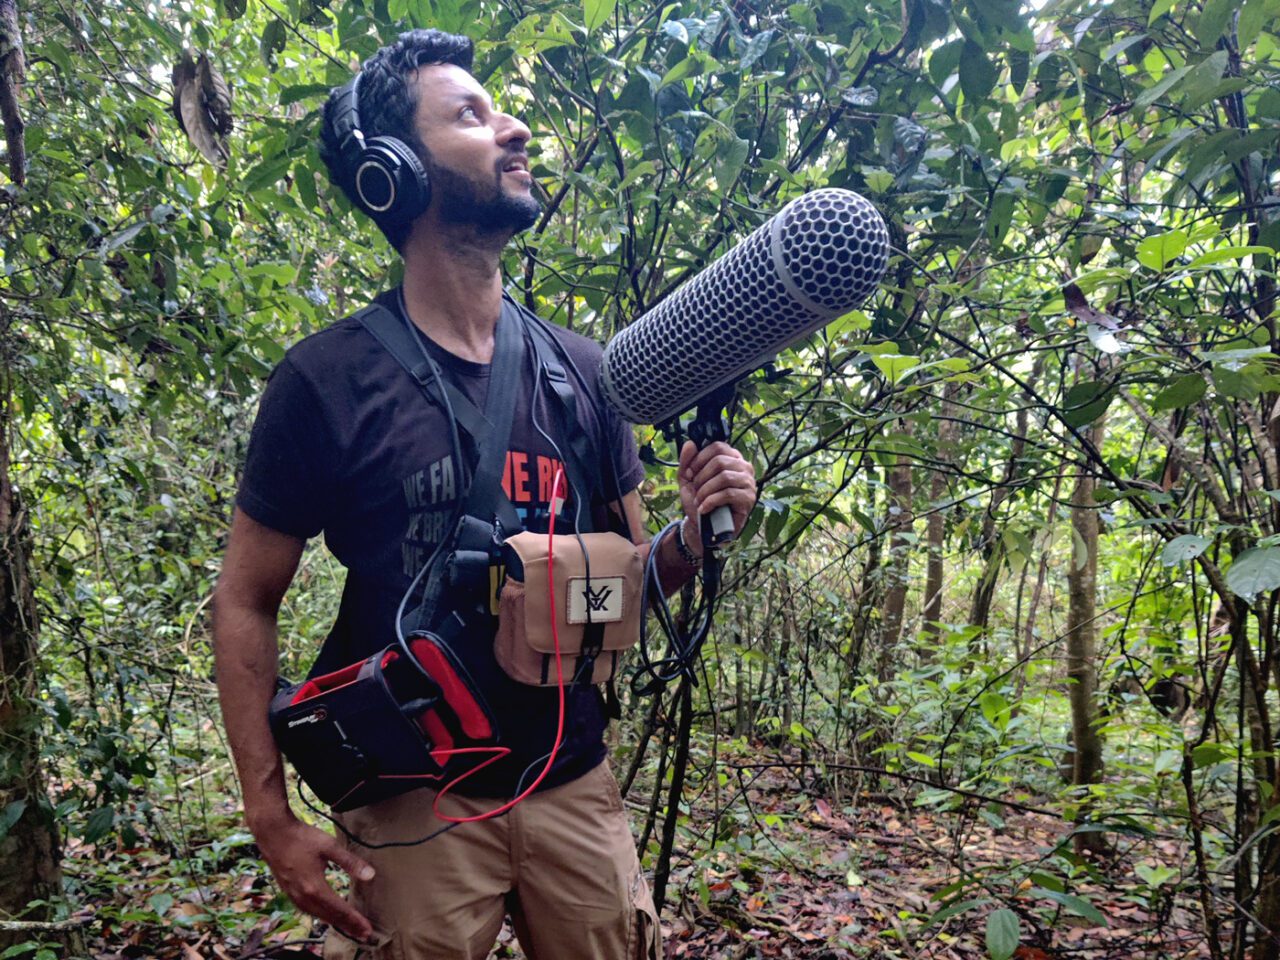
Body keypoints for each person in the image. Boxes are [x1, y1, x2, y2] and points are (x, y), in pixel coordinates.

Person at [212, 27, 757, 960]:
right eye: (471, 114)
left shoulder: (589, 374)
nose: (514, 128)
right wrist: (270, 818)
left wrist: (695, 536)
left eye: (501, 107)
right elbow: (244, 599)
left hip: (574, 786)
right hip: (409, 805)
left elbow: (625, 585)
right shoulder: (327, 380)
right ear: (395, 175)